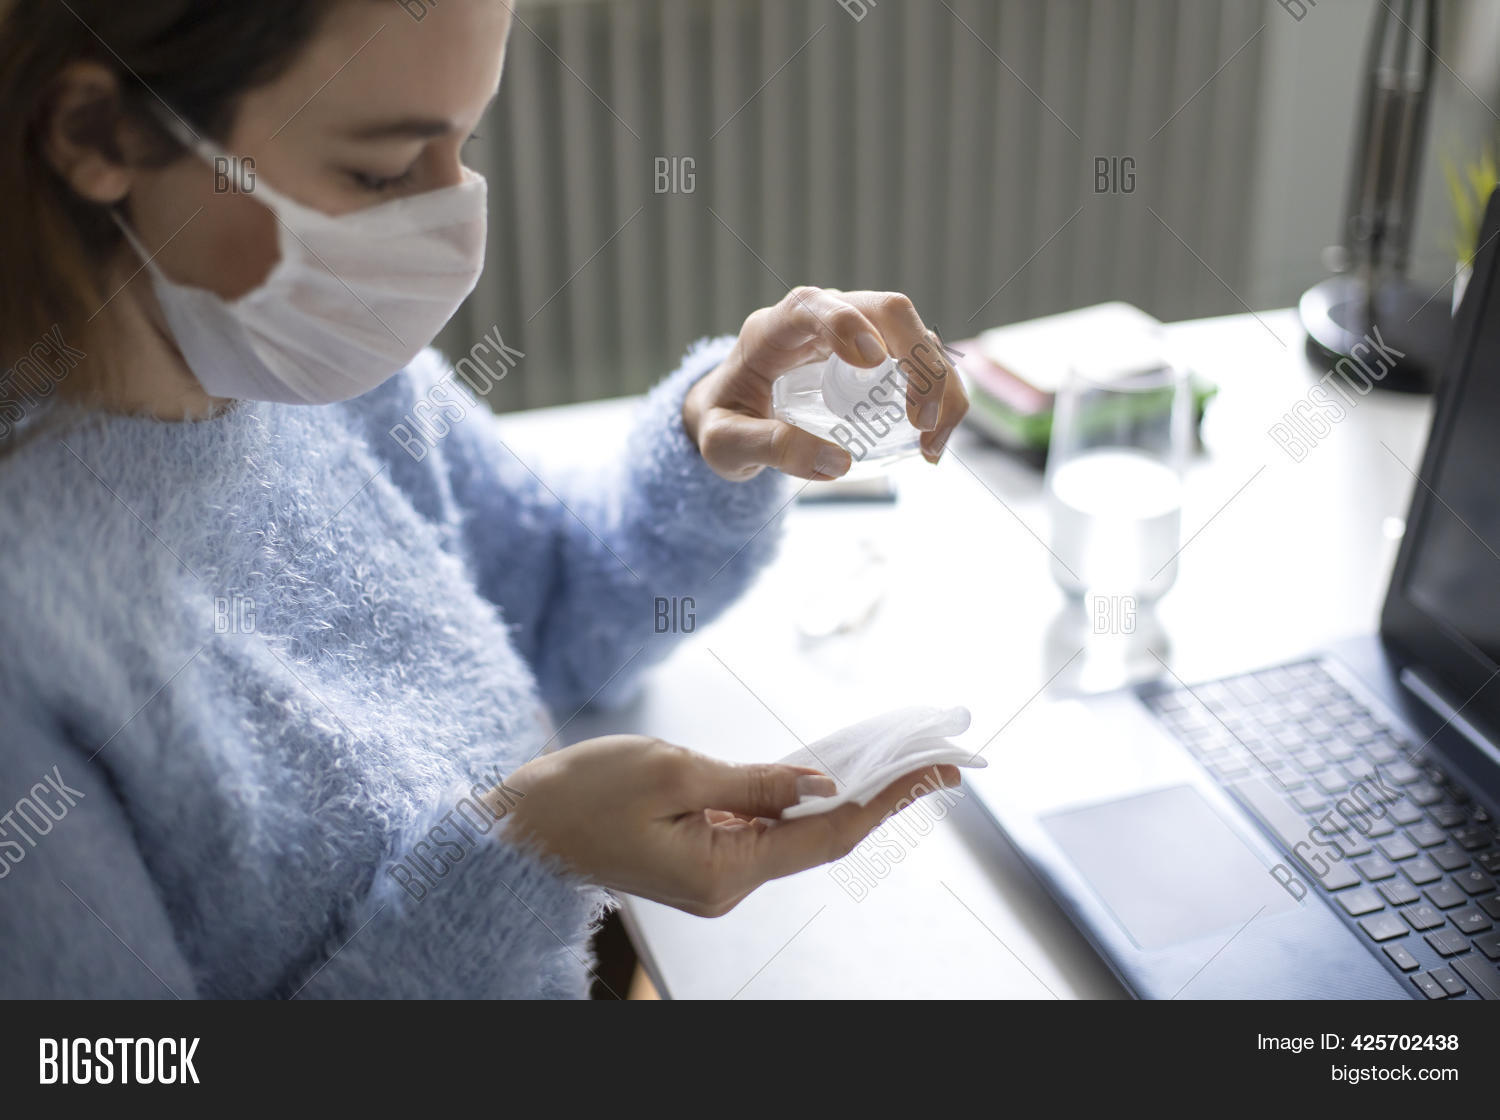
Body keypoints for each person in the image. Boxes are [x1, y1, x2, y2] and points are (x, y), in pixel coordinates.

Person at [0, 0, 969, 998]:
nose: (449, 226)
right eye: (380, 171)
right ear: (97, 132)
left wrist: (711, 434)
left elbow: (555, 608)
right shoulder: (29, 637)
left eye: (462, 145)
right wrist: (515, 862)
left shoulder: (302, 360)